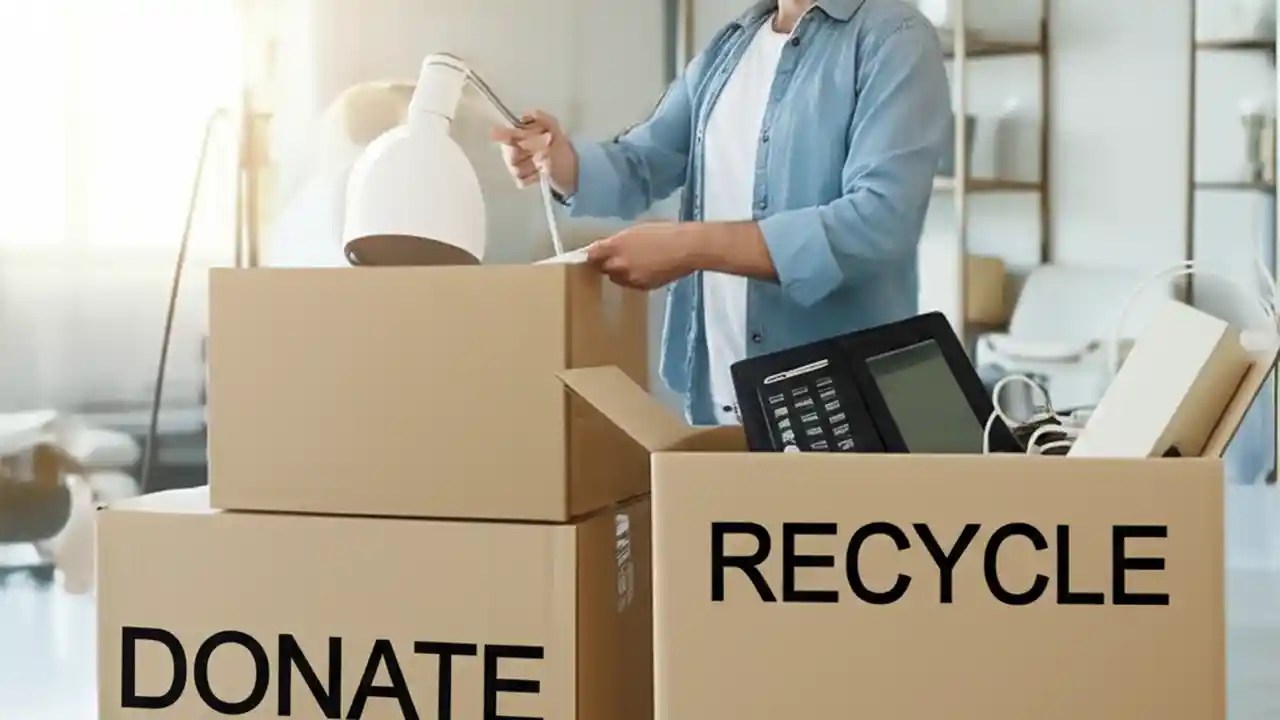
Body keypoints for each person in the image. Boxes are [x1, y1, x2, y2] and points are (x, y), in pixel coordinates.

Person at [494, 0, 952, 425]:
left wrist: (689, 247)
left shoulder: (896, 37)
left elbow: (878, 223)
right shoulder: (732, 45)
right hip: (717, 397)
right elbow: (643, 163)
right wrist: (560, 162)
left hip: (842, 404)